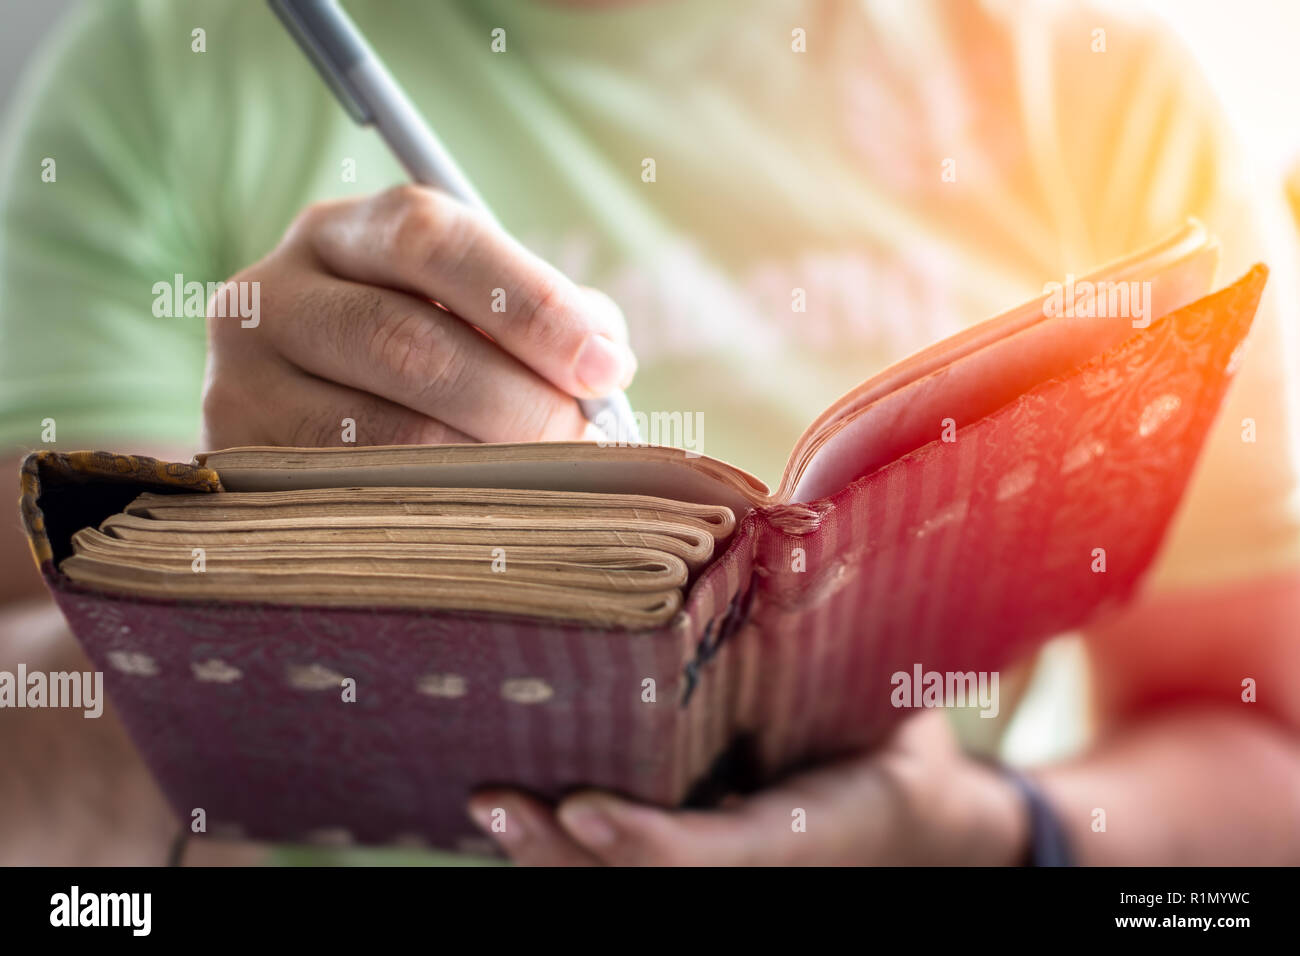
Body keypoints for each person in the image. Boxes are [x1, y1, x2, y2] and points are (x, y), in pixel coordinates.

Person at [2, 0, 1298, 866]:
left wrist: (978, 832)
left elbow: (1266, 763)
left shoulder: (1094, 75)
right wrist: (259, 585)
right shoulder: (160, 70)